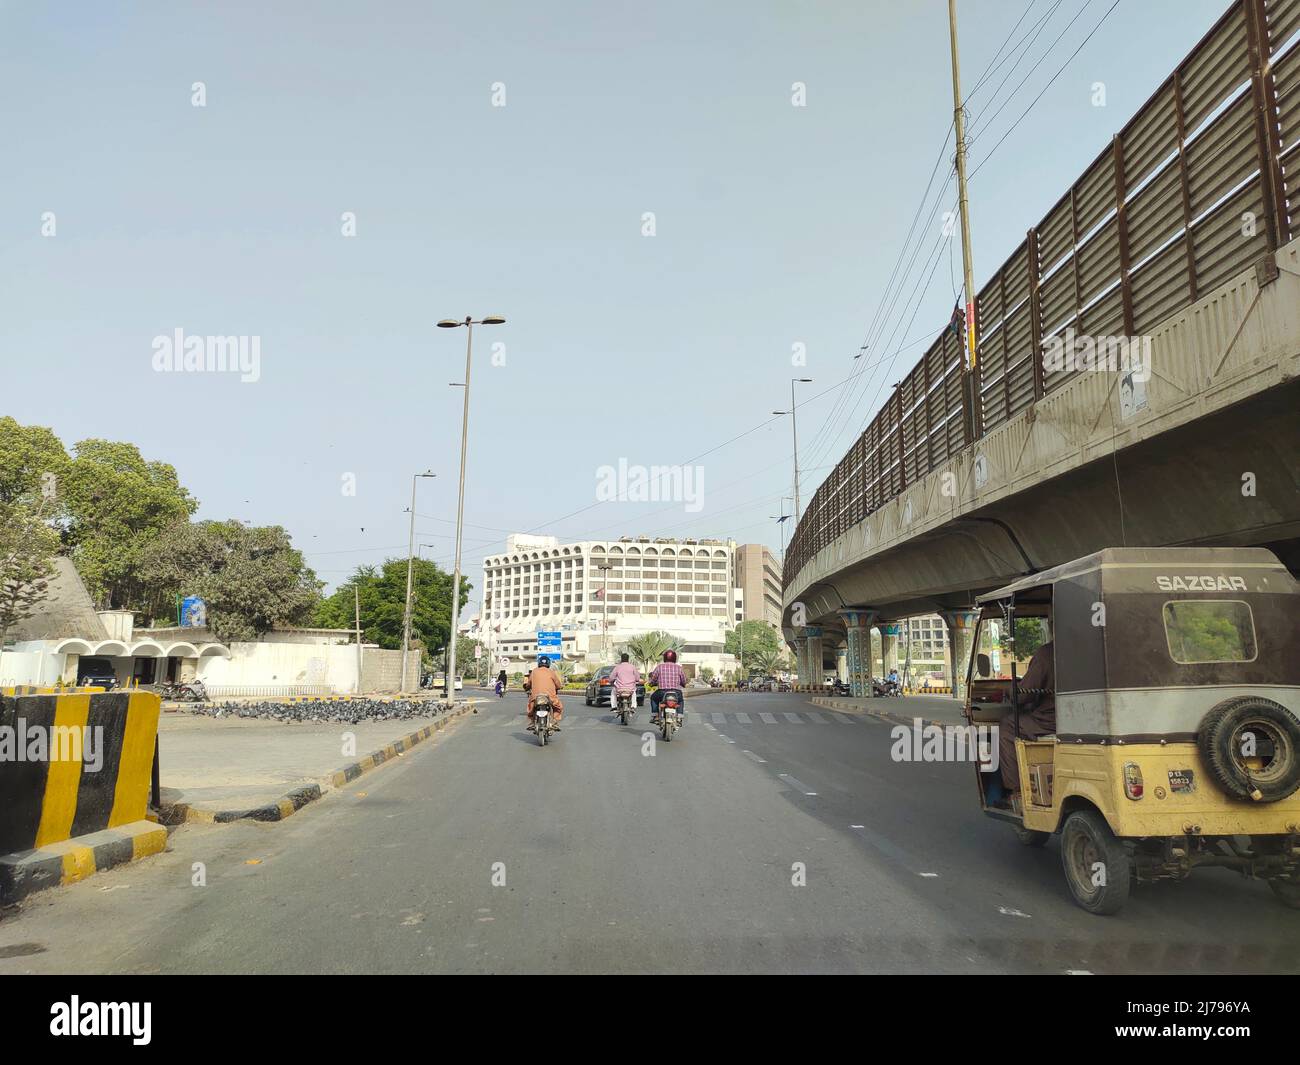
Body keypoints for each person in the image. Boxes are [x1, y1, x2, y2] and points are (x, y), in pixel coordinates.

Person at [999, 637, 1056, 801]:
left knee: (1008, 725)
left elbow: (1023, 696)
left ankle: (1017, 791)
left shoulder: (1048, 653)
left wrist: (1011, 691)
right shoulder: (1094, 648)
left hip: (1050, 722)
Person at [525, 656, 564, 731]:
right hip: (550, 697)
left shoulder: (534, 671)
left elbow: (528, 684)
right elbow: (558, 684)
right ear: (548, 663)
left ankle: (532, 722)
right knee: (558, 707)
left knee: (531, 707)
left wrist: (526, 687)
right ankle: (555, 721)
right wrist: (559, 687)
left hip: (536, 697)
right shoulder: (551, 672)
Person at [648, 649, 687, 725]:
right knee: (680, 700)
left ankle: (655, 715)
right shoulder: (679, 668)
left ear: (664, 657)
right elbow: (684, 680)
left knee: (653, 698)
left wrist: (651, 684)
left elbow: (653, 679)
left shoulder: (659, 667)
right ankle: (679, 716)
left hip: (662, 692)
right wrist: (683, 684)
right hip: (676, 692)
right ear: (674, 658)